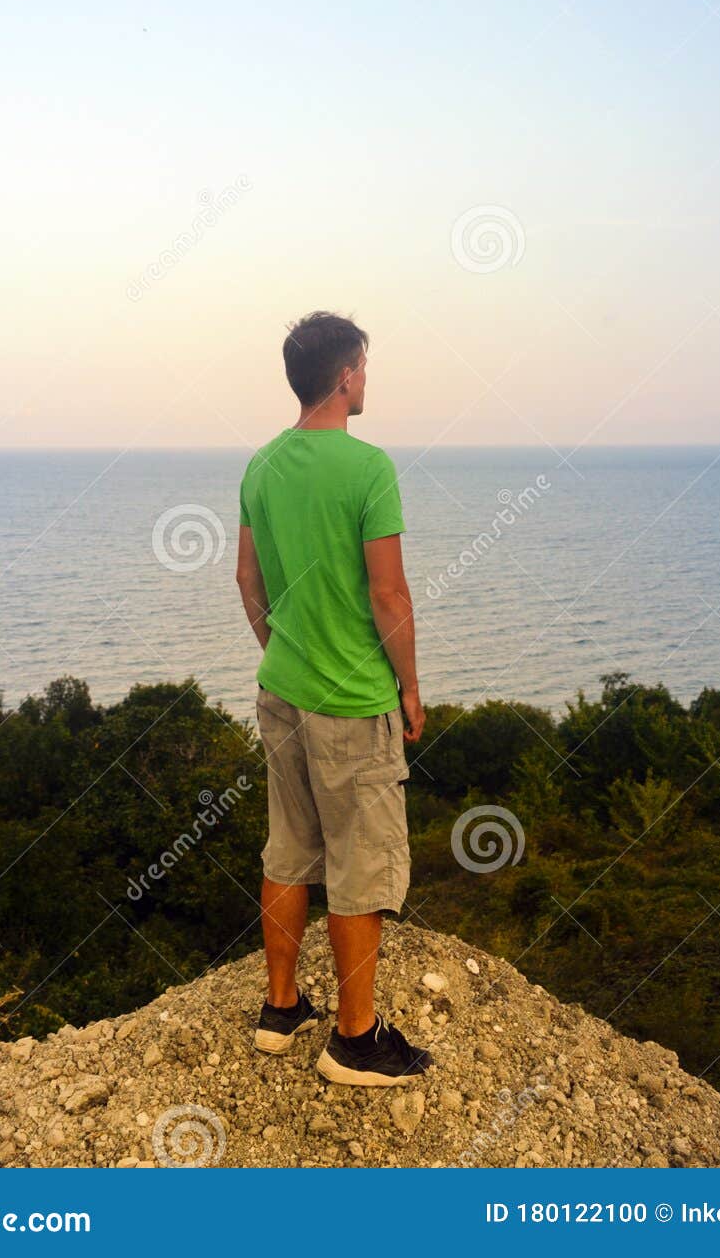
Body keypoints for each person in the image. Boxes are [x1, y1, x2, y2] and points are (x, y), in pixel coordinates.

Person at [236, 311, 432, 1087]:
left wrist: (280, 650)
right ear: (347, 375)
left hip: (281, 690)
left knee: (288, 846)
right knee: (360, 863)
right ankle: (354, 1039)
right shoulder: (368, 468)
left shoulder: (261, 464)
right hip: (354, 701)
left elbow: (249, 582)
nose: (366, 379)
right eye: (365, 367)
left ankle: (281, 1010)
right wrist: (411, 685)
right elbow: (389, 593)